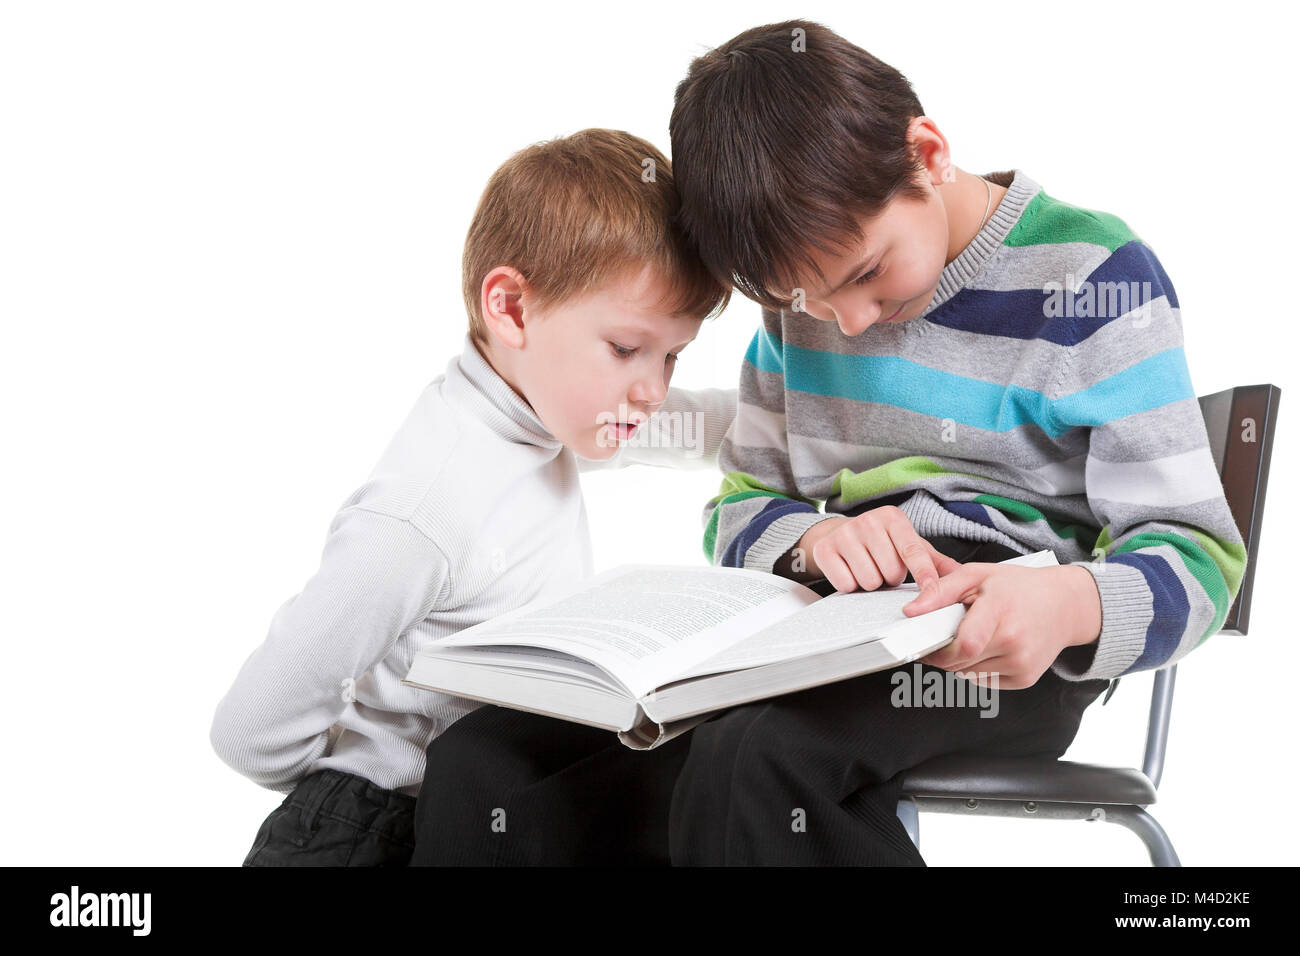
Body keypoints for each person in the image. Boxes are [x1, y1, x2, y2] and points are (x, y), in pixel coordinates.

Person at [414, 18, 1246, 867]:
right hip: (820, 637)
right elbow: (739, 508)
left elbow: (1201, 558)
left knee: (757, 765)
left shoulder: (1093, 276)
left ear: (927, 153)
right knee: (486, 761)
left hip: (995, 650)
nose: (845, 321)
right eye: (805, 300)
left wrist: (1067, 604)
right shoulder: (798, 307)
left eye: (864, 275)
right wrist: (814, 539)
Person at [209, 128, 736, 866]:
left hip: (479, 816)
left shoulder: (545, 413)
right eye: (626, 348)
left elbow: (701, 426)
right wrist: (361, 774)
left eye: (672, 354)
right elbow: (250, 728)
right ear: (512, 309)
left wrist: (811, 414)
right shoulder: (432, 502)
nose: (651, 388)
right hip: (367, 831)